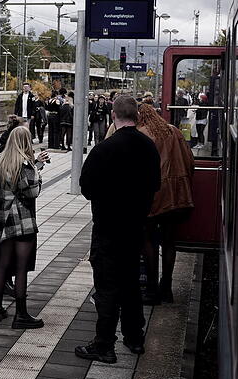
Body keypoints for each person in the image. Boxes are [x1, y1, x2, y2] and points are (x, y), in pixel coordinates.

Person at [75, 95, 161, 364]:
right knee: (131, 282)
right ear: (136, 116)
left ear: (113, 115)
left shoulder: (104, 149)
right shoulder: (149, 147)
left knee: (107, 285)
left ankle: (104, 344)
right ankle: (134, 338)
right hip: (135, 225)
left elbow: (86, 188)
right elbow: (156, 185)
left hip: (107, 227)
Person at [0, 126, 47, 328]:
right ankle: (20, 314)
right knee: (21, 268)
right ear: (27, 142)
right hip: (21, 221)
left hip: (1, 221)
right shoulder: (24, 164)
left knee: (2, 264)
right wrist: (37, 170)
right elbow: (32, 192)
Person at [137, 103, 195, 304]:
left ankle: (151, 290)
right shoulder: (174, 131)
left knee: (149, 241)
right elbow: (190, 160)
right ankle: (167, 286)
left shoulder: (142, 133)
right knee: (170, 241)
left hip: (153, 196)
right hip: (176, 195)